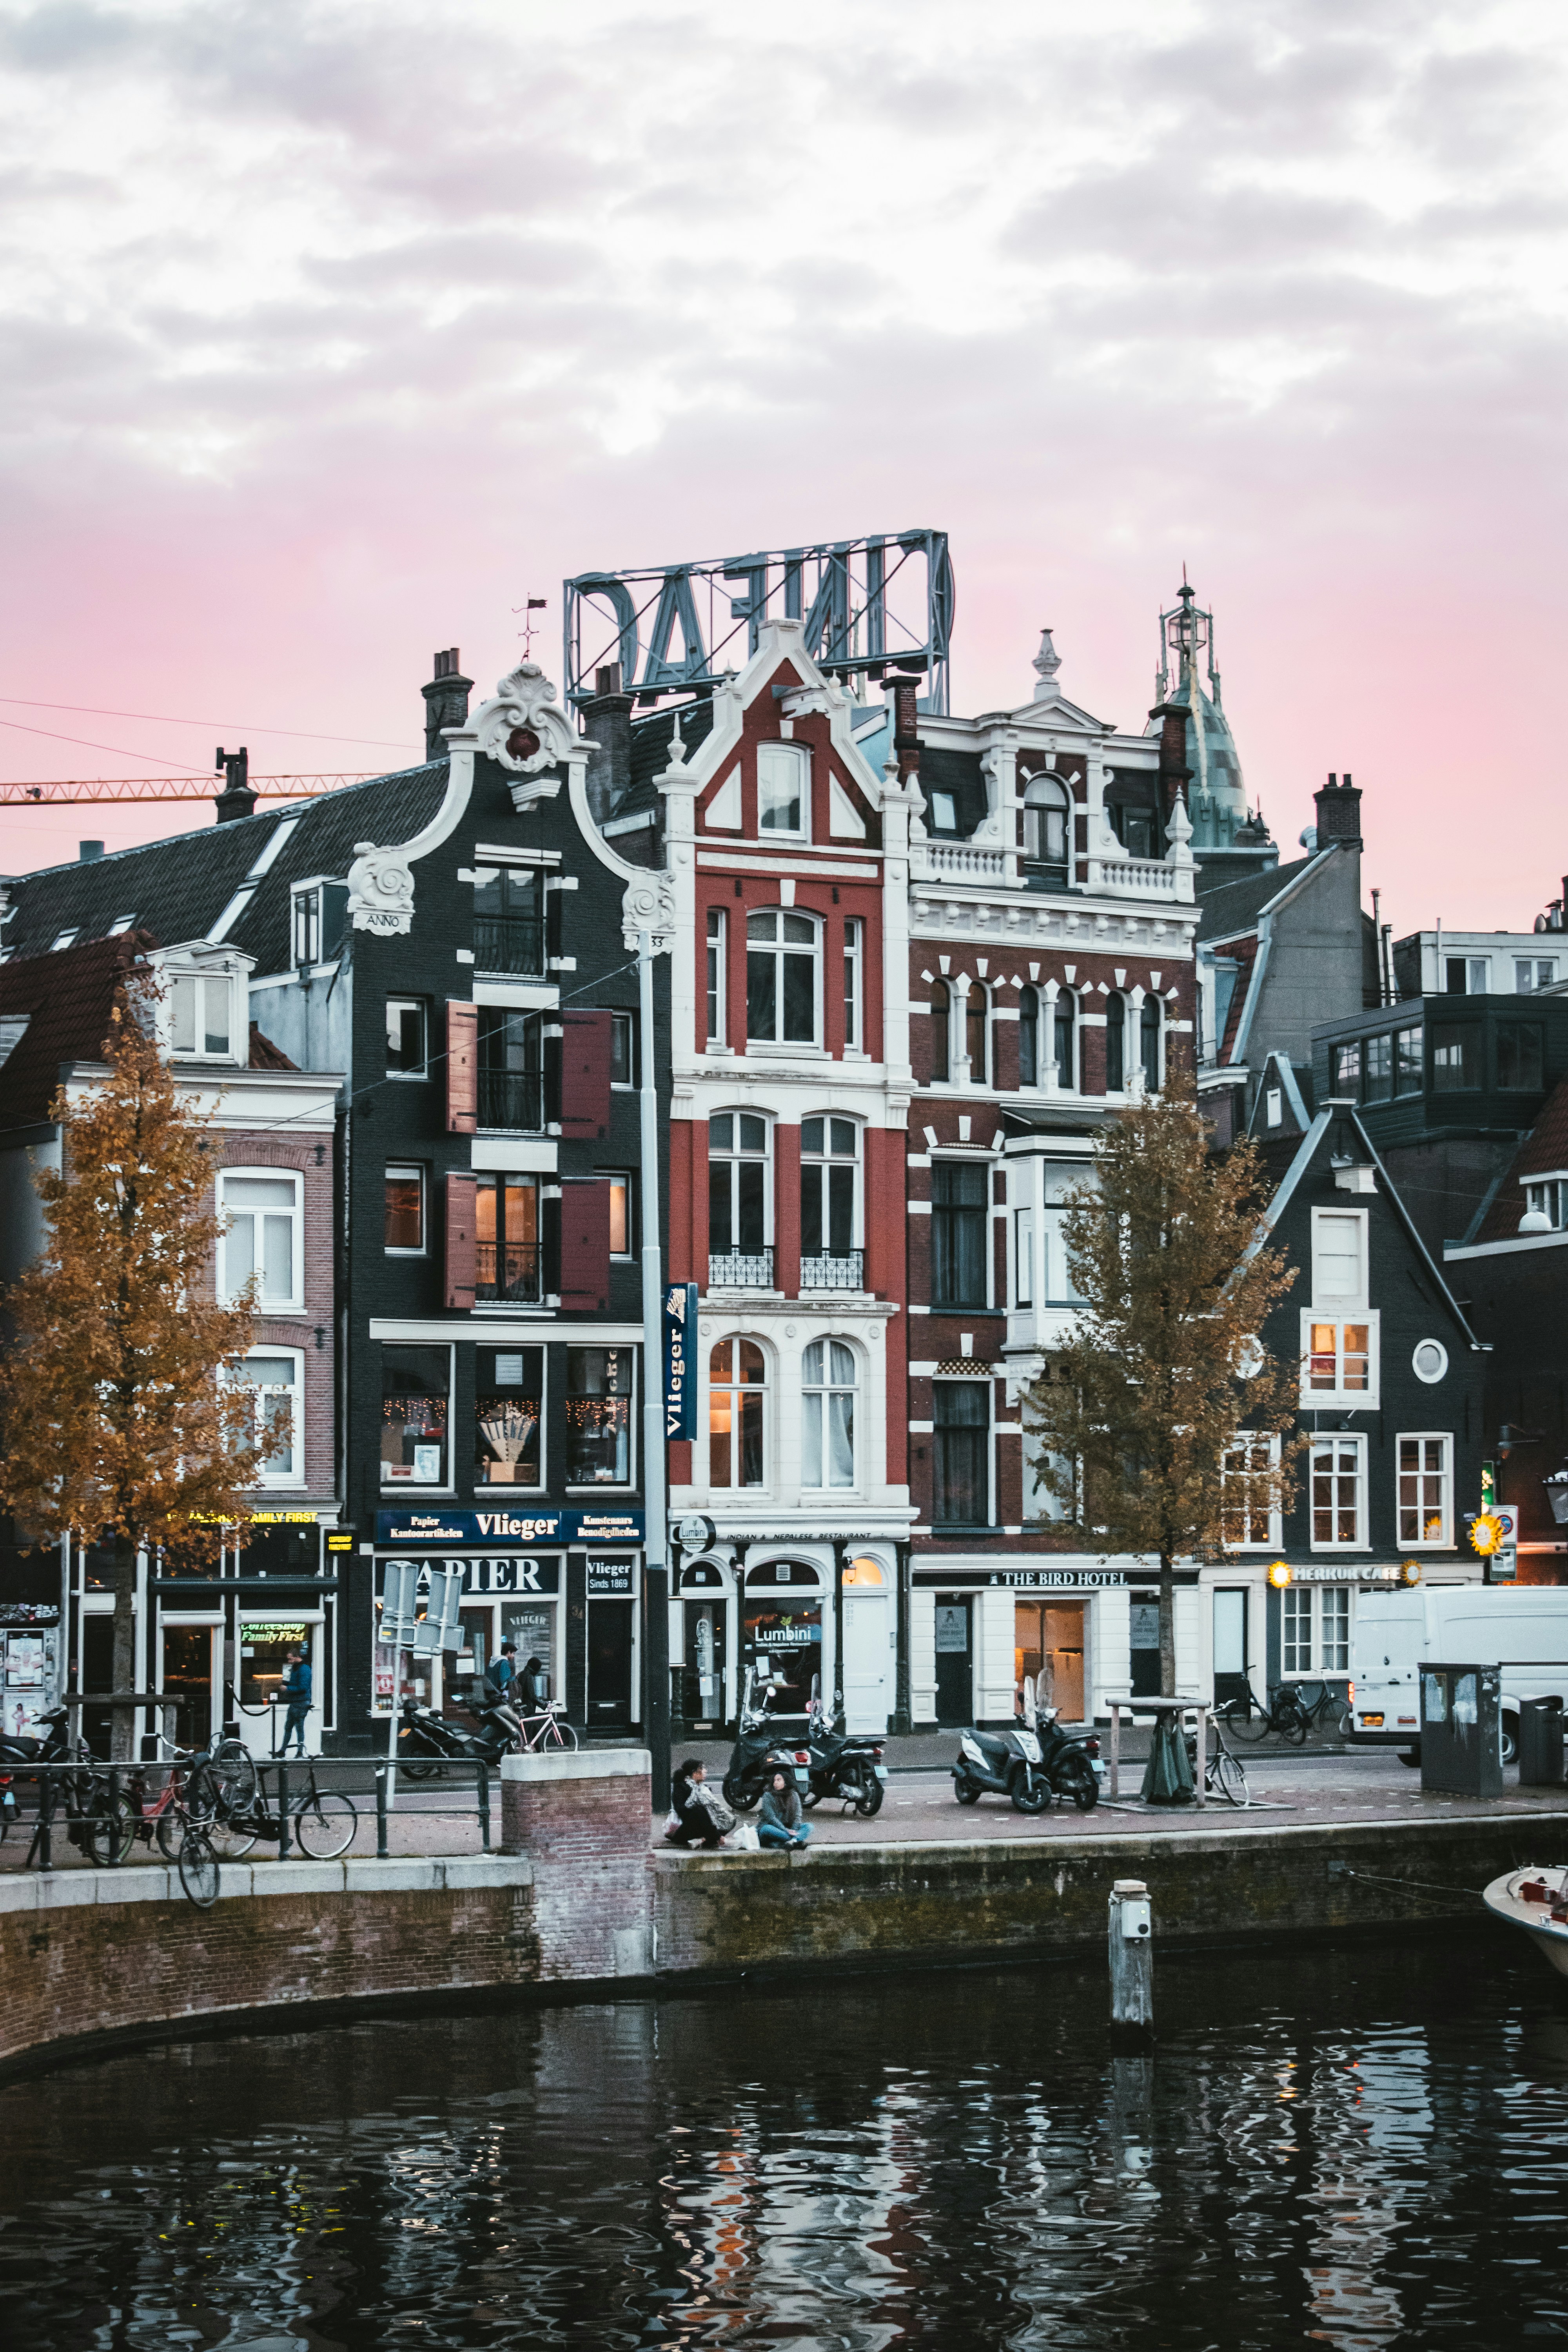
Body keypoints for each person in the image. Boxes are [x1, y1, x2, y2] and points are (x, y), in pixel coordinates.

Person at [665, 1759, 733, 1848]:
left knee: (730, 1820)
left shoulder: (703, 1788)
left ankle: (702, 1840)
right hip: (688, 1829)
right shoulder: (681, 1787)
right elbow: (680, 1810)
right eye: (702, 1769)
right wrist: (694, 1804)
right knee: (699, 1811)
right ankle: (719, 1838)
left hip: (706, 1828)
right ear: (694, 1773)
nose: (705, 1771)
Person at [757, 1766, 809, 1851]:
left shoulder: (794, 1795)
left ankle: (791, 1842)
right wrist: (786, 1830)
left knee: (809, 1826)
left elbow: (798, 1816)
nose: (775, 1783)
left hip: (789, 1829)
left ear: (786, 1782)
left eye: (779, 1780)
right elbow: (771, 1818)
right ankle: (796, 1841)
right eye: (774, 1781)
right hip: (773, 1829)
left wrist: (794, 1830)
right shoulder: (768, 1796)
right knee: (766, 1829)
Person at [278, 1647, 312, 1758]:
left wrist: (287, 1688)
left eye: (291, 1659)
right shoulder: (295, 1668)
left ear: (297, 1657)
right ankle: (283, 1751)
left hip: (301, 1703)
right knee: (288, 1727)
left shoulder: (304, 1669)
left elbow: (303, 1687)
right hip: (295, 1702)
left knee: (299, 1728)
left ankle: (299, 1752)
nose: (289, 1662)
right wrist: (285, 1683)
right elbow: (295, 1683)